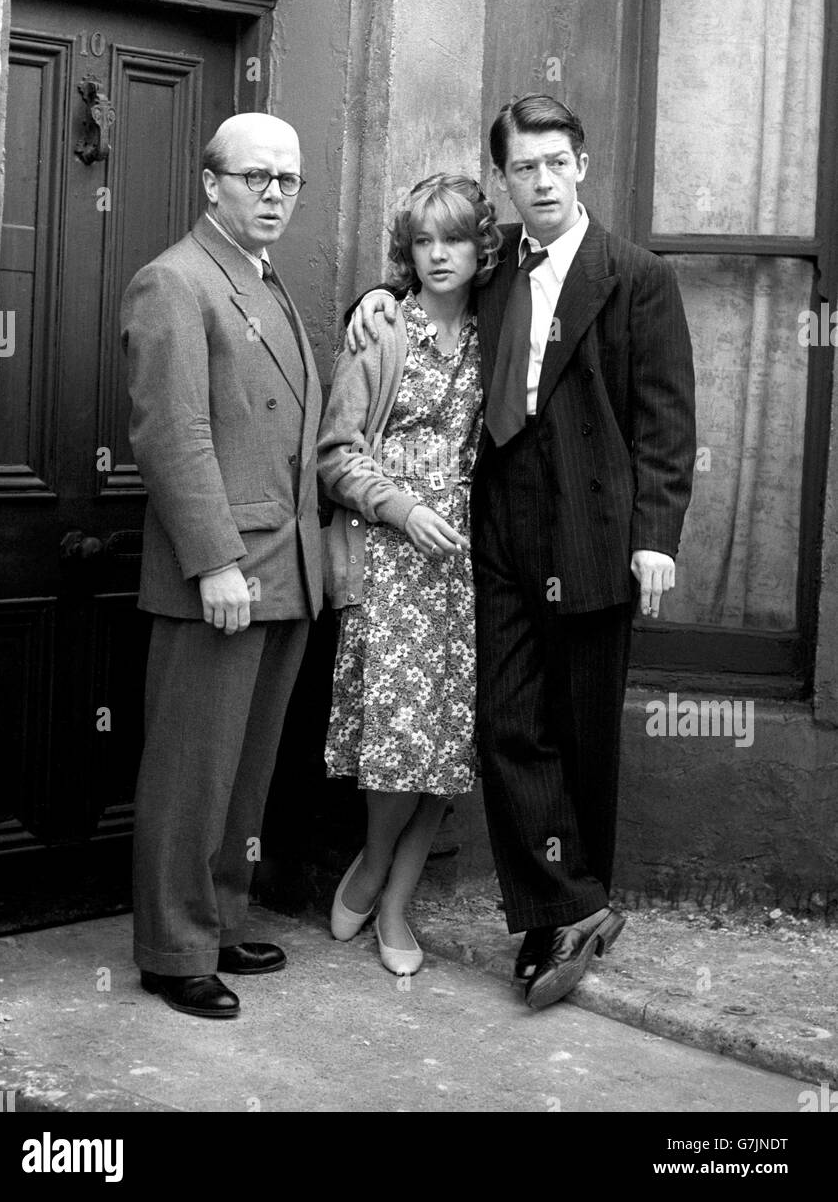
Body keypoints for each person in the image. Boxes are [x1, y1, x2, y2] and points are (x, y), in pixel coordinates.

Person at [348, 96, 696, 1008]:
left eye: (554, 163)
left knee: (580, 728)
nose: (540, 181)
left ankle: (561, 915)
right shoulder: (499, 260)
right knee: (506, 724)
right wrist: (373, 301)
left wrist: (656, 537)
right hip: (499, 528)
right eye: (522, 168)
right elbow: (431, 277)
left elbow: (665, 420)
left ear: (581, 164)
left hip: (593, 533)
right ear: (503, 179)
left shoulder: (637, 277)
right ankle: (568, 907)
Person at [120, 112, 322, 1019]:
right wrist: (213, 564)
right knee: (191, 772)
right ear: (212, 184)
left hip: (286, 568)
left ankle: (221, 916)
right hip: (225, 574)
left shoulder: (264, 279)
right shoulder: (174, 280)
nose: (274, 194)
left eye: (288, 181)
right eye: (256, 178)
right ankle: (172, 947)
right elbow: (173, 435)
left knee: (247, 767)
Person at [318, 174, 500, 975]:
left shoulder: (501, 334)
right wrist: (400, 508)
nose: (436, 256)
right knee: (397, 743)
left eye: (452, 240)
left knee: (448, 748)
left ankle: (398, 899)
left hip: (467, 568)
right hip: (390, 563)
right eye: (421, 242)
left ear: (479, 247)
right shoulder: (385, 331)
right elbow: (334, 454)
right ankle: (371, 862)